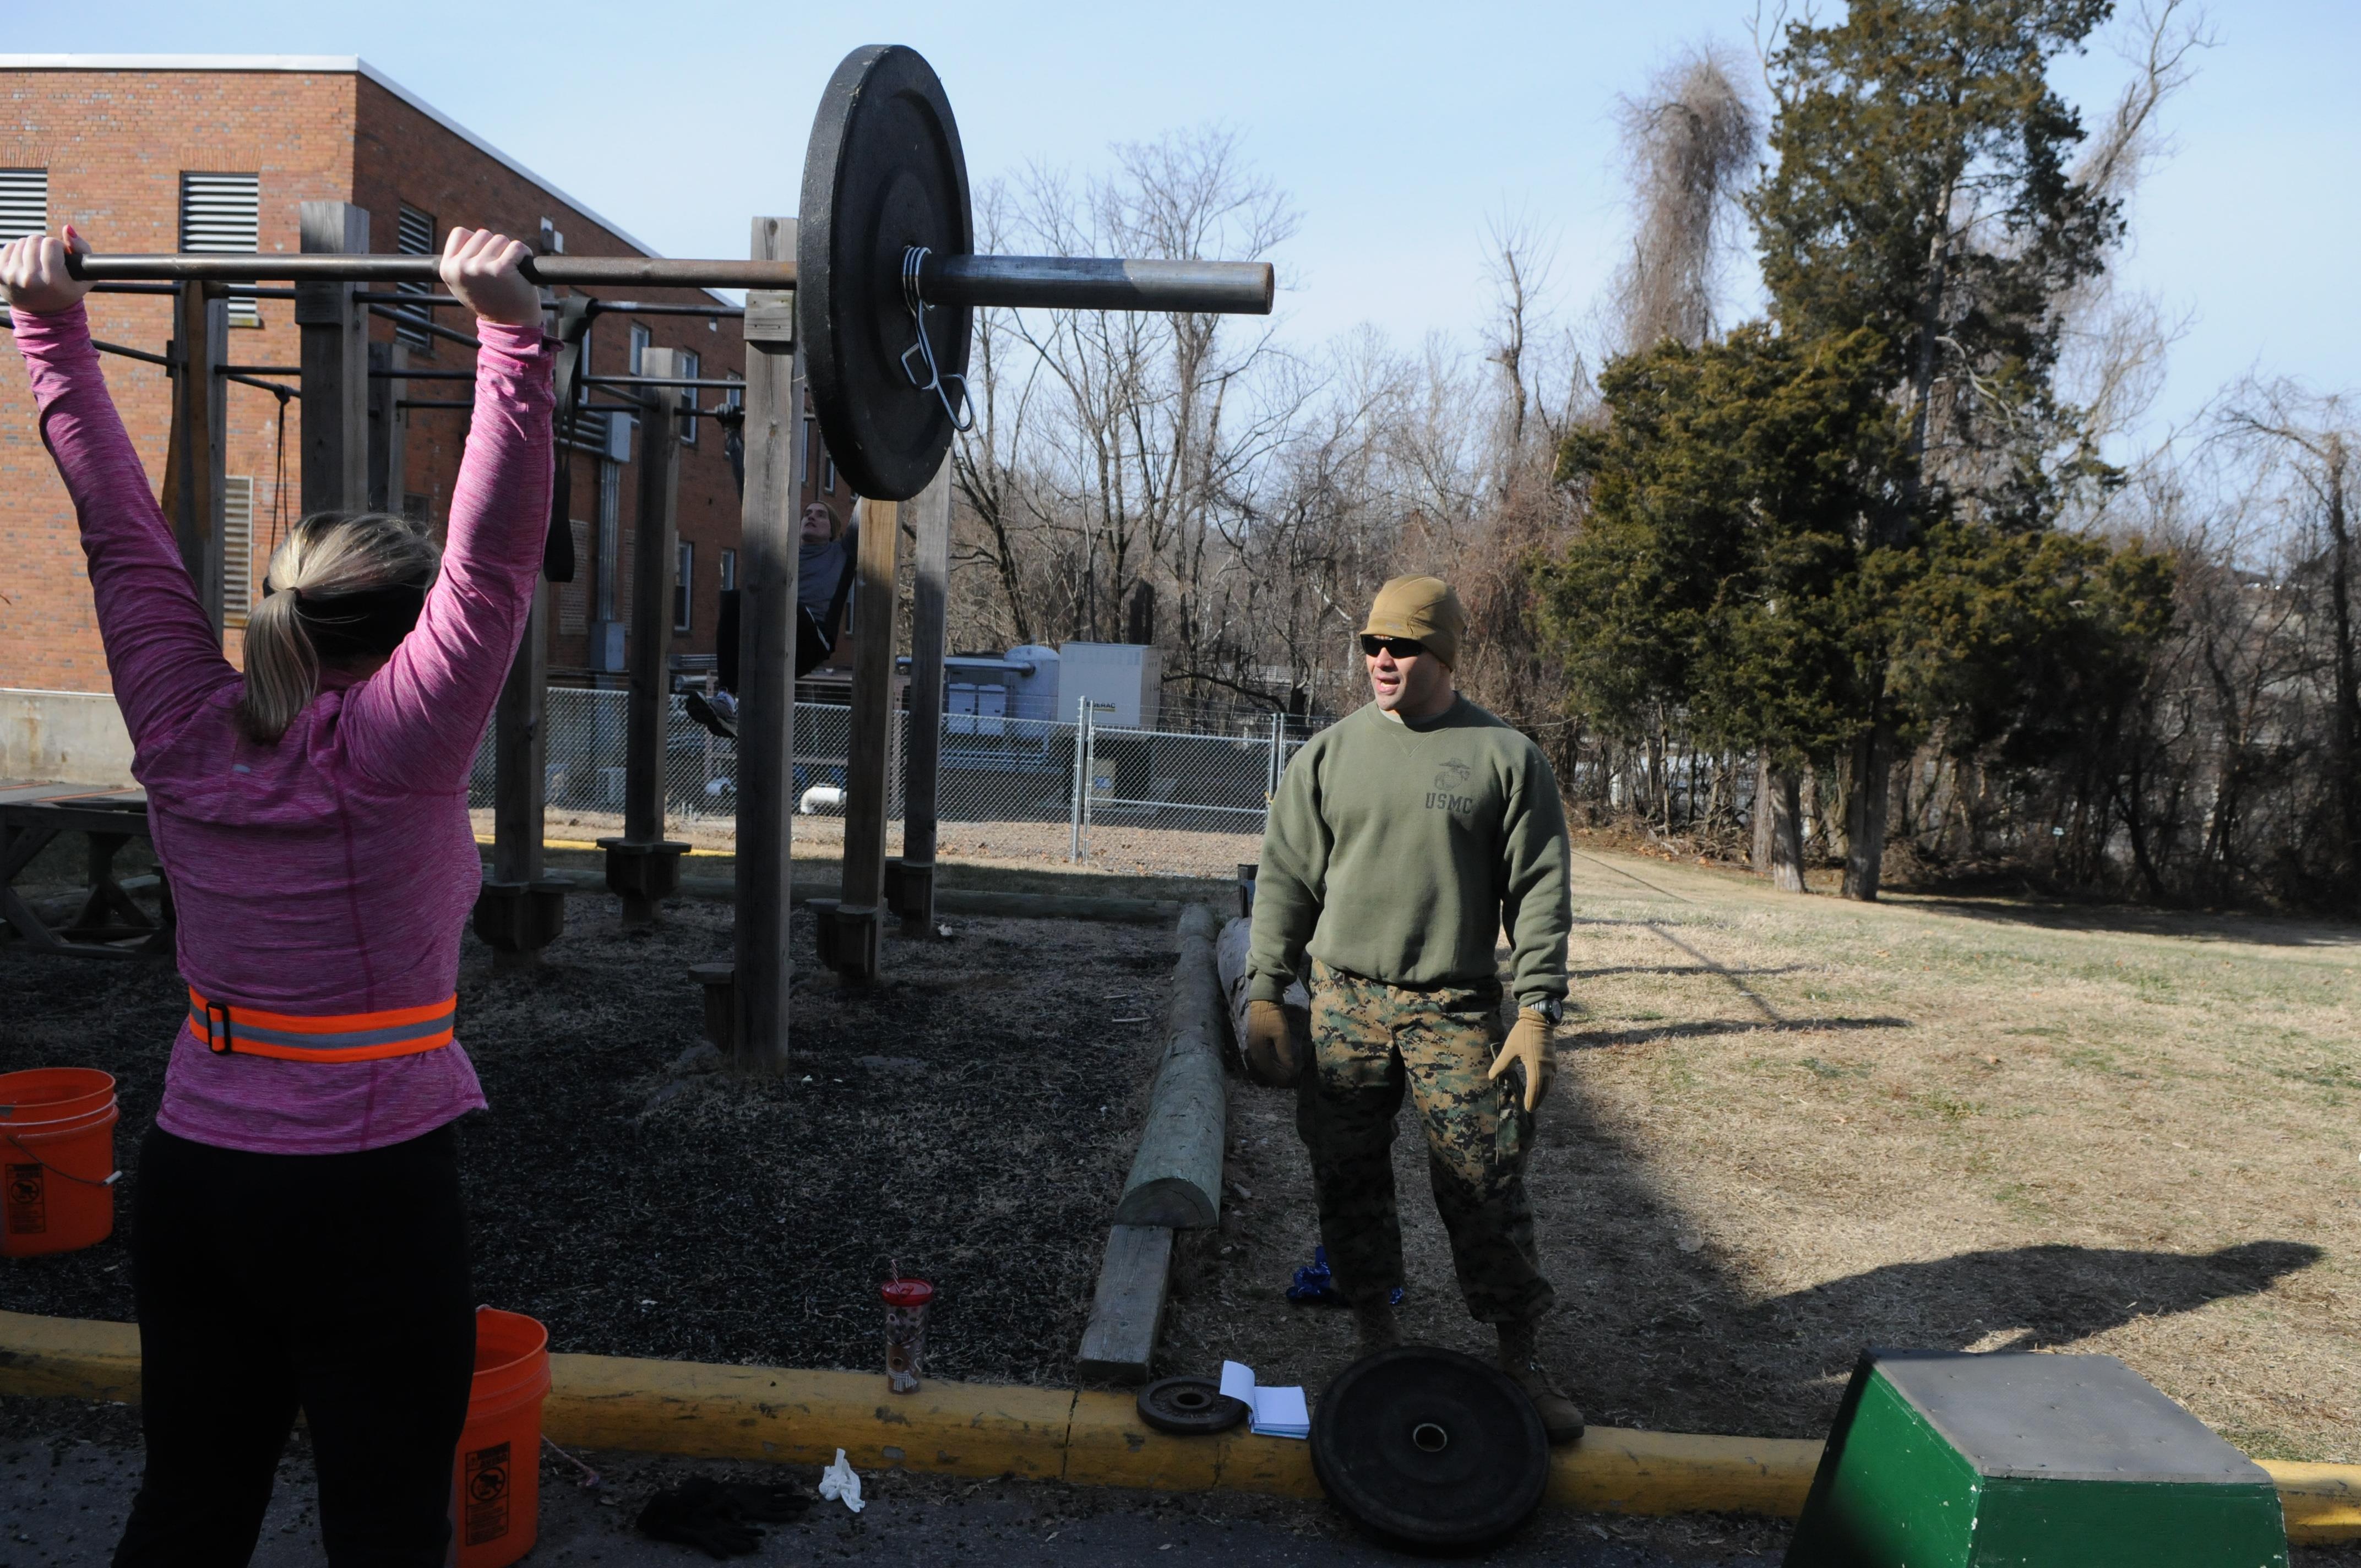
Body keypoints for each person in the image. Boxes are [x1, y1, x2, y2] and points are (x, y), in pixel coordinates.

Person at [2, 223, 554, 1564]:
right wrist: (512, 338)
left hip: (201, 1180)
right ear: (408, 634)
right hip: (371, 1194)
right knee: (383, 1528)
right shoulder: (401, 747)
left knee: (188, 1512)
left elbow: (119, 536)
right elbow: (492, 565)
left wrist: (48, 330)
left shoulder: (183, 725)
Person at [1242, 574, 1582, 1442]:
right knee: (1346, 1174)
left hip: (1453, 1006)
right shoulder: (1328, 757)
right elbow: (1285, 880)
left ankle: (1519, 1354)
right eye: (1372, 644)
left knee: (1485, 1179)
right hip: (1345, 1001)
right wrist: (1265, 990)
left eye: (1403, 645)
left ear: (1445, 653)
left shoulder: (1506, 758)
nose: (1383, 659)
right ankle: (1374, 1341)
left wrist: (1537, 1010)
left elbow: (1540, 891)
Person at [687, 499, 858, 739]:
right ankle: (726, 700)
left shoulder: (843, 553)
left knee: (790, 602)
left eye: (821, 515)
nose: (811, 517)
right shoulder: (785, 555)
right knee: (735, 599)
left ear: (833, 530)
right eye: (807, 513)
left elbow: (865, 506)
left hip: (811, 643)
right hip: (775, 636)